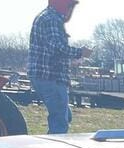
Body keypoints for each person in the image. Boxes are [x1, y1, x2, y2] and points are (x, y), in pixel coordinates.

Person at [28, 0, 92, 134]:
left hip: (45, 76)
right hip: (50, 77)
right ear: (63, 5)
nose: (71, 11)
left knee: (64, 116)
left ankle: (47, 146)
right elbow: (57, 48)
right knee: (60, 122)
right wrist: (80, 52)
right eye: (70, 6)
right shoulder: (52, 19)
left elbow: (52, 51)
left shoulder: (45, 16)